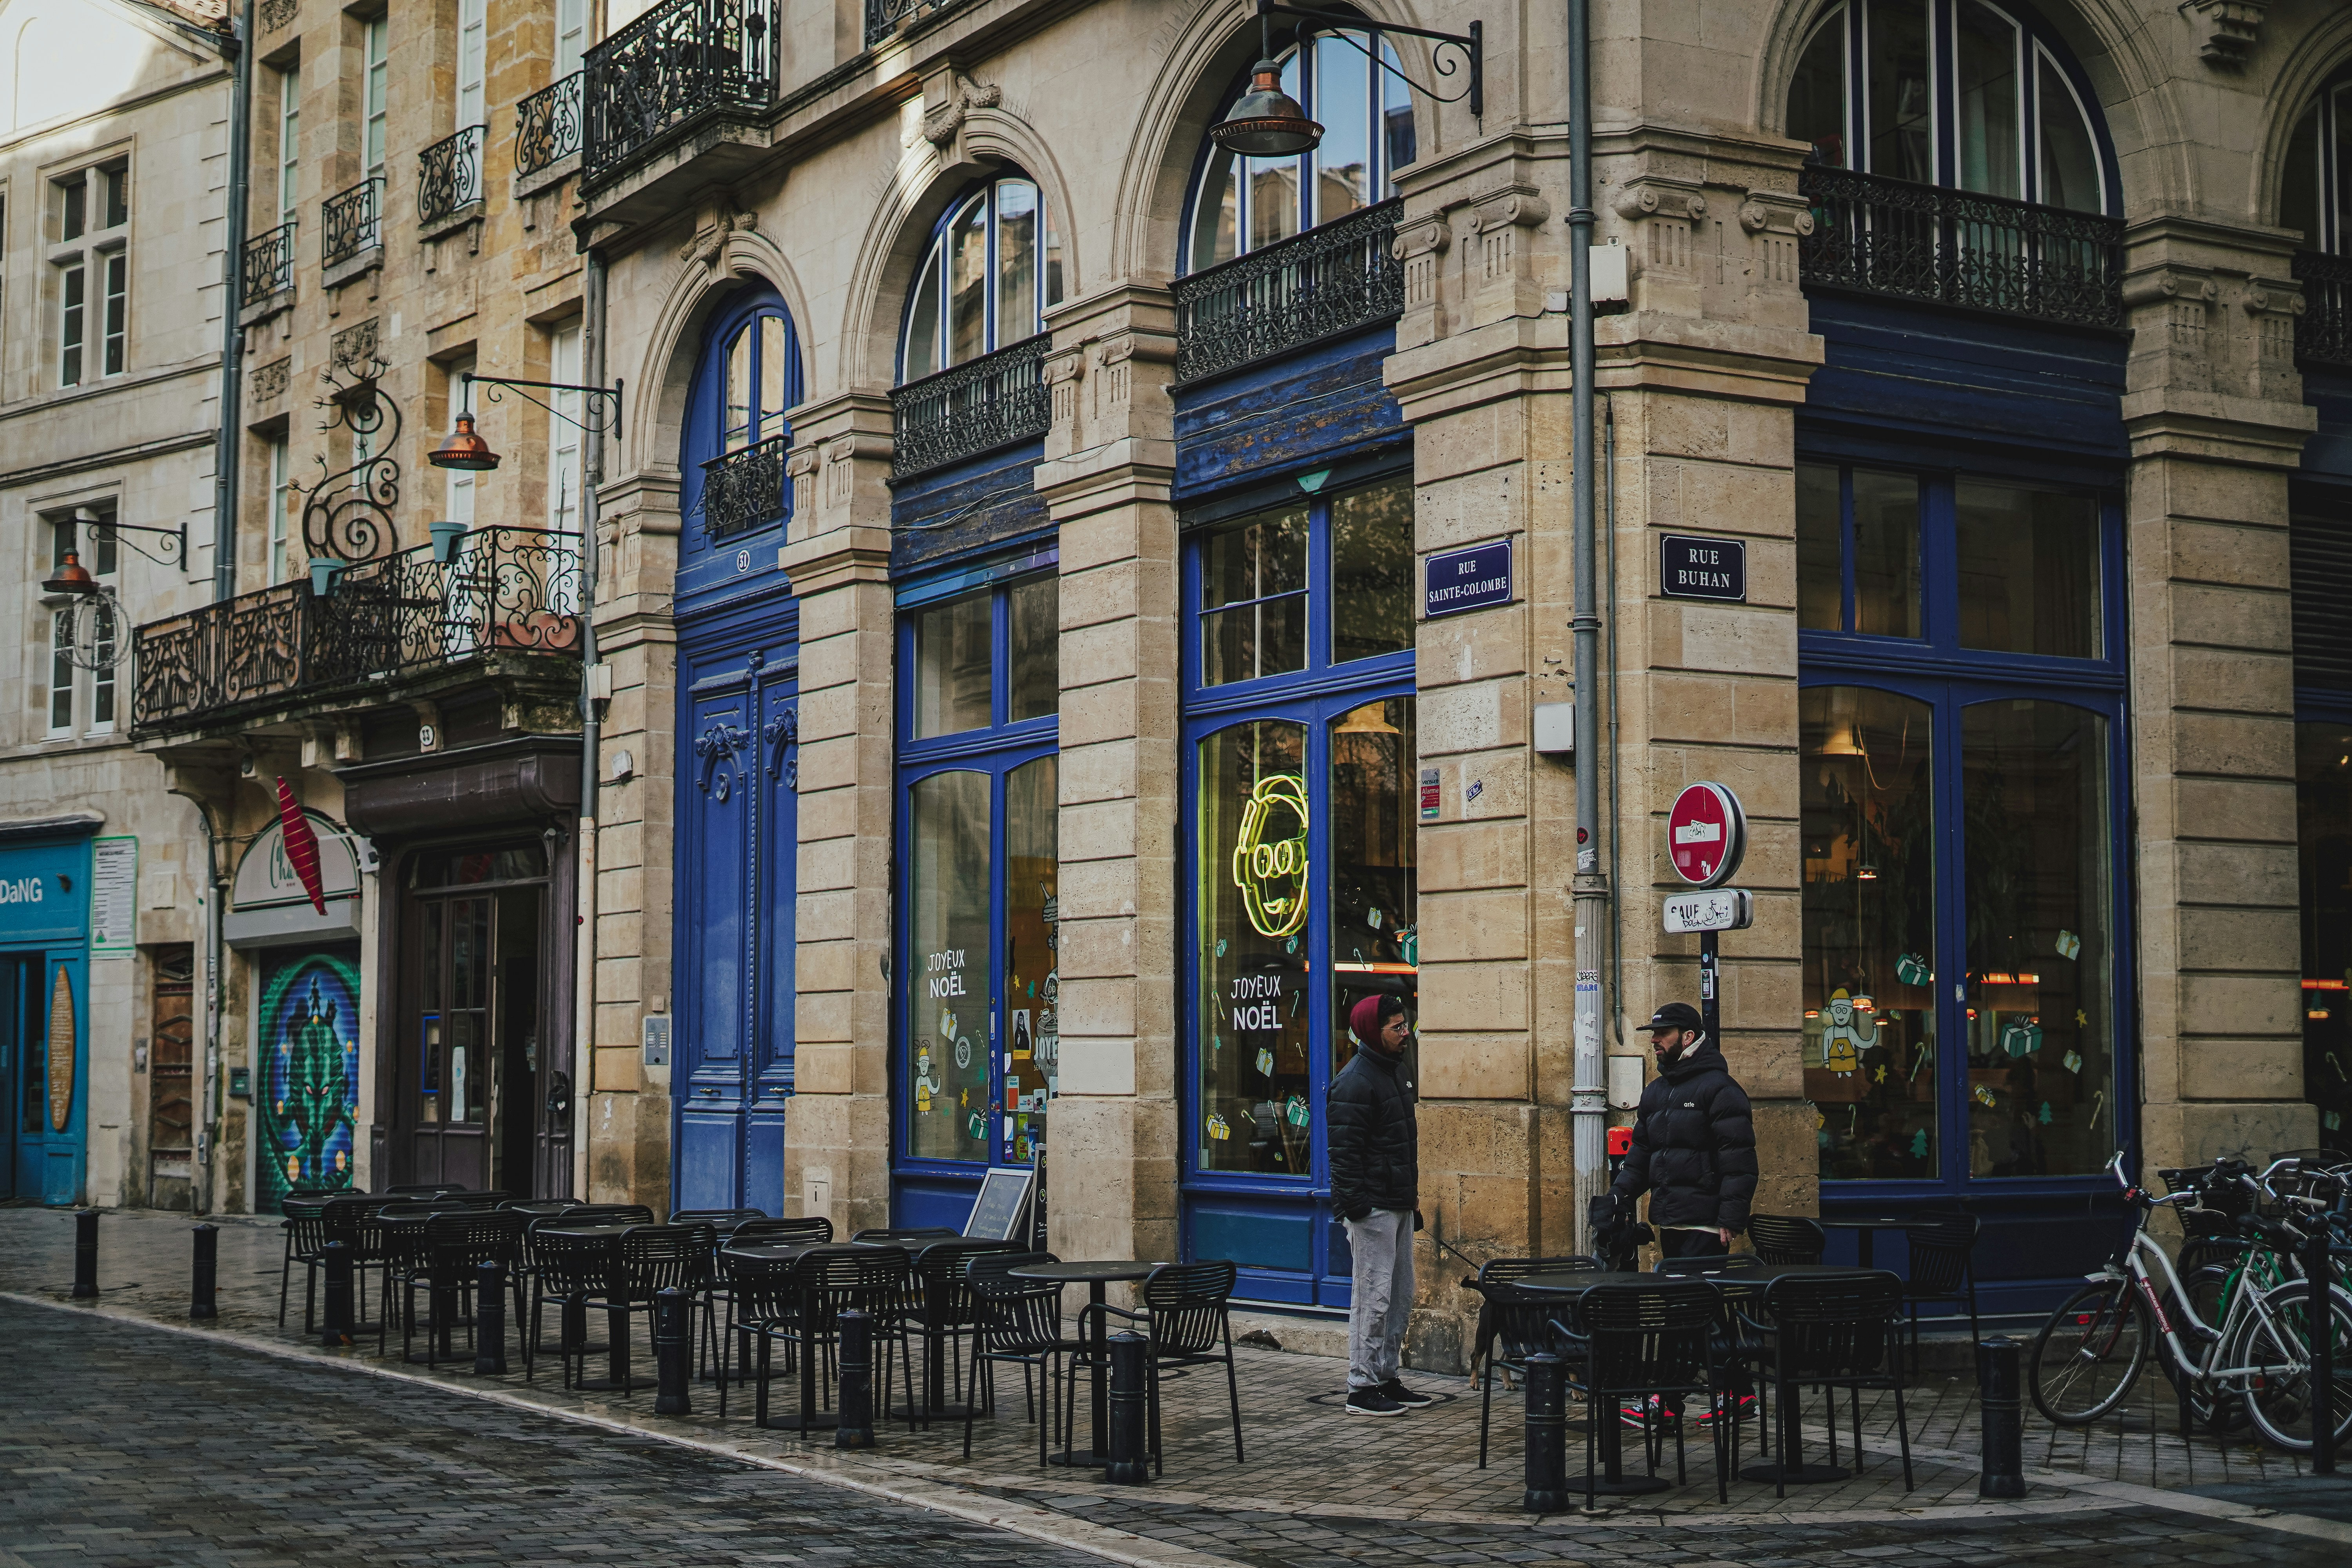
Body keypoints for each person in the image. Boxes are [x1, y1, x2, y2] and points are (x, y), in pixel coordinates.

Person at [1599, 1000, 1759, 1425]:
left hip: (1706, 1224)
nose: (1655, 1040)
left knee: (1689, 1311)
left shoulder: (1720, 1089)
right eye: (1654, 1033)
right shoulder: (1658, 1091)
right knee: (1694, 1311)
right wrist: (1617, 1197)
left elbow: (1739, 1161)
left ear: (1688, 1037)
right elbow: (1641, 1158)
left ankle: (1667, 1400)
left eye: (1663, 1033)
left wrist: (1730, 1220)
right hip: (1670, 1219)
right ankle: (1733, 1394)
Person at [1327, 993, 1430, 1416]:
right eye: (1397, 1027)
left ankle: (1387, 1376)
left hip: (1398, 1203)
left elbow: (1398, 1146)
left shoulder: (1395, 1072)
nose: (1406, 1033)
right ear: (1374, 1031)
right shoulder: (1355, 1081)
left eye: (1407, 1025)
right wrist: (1357, 1207)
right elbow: (1343, 1155)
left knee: (1400, 1294)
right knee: (1373, 1298)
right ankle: (1361, 1386)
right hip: (1372, 1209)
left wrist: (1409, 1202)